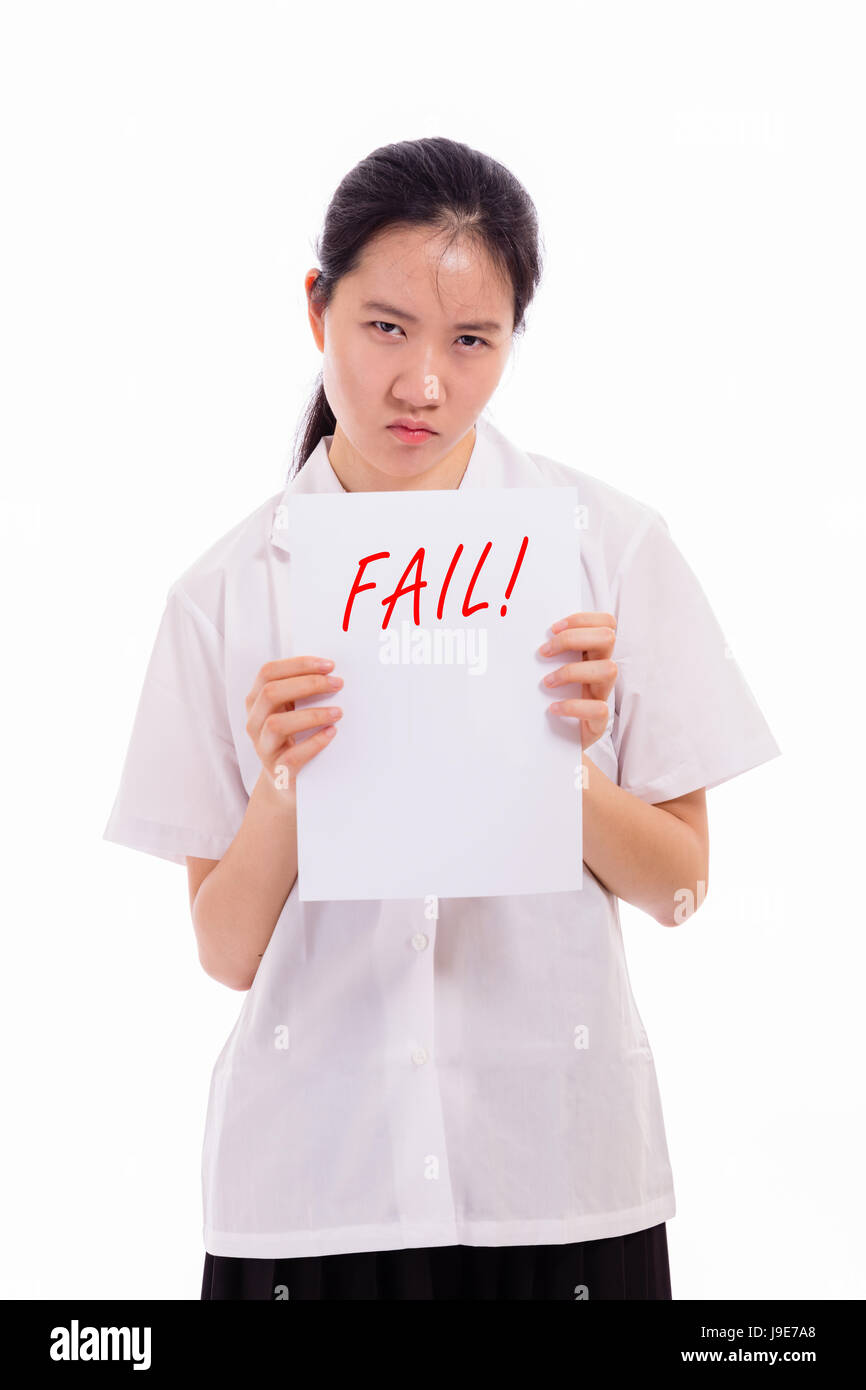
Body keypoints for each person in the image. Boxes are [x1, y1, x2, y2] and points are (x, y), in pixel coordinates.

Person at [103, 136, 781, 1301]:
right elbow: (222, 953)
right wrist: (286, 781)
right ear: (314, 308)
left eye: (472, 340)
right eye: (384, 327)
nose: (423, 382)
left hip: (556, 1179)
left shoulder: (606, 551)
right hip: (312, 1193)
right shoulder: (223, 596)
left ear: (514, 337)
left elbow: (680, 888)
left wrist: (546, 764)